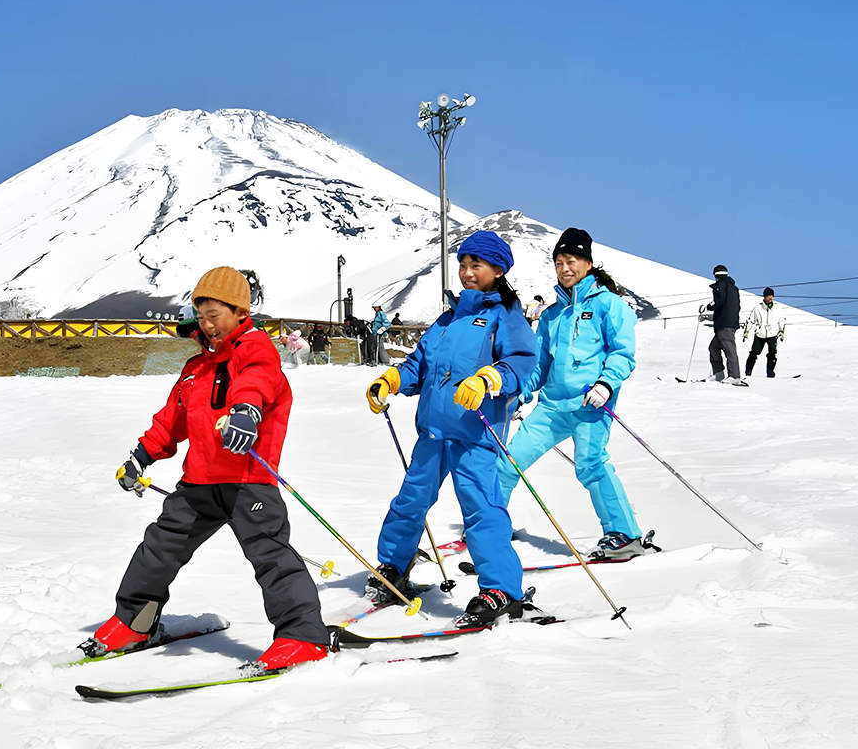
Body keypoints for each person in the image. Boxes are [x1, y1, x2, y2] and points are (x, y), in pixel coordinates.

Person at [90, 266, 330, 672]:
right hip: (198, 483)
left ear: (239, 311)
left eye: (214, 316)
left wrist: (247, 411)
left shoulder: (255, 350)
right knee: (158, 549)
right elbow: (171, 420)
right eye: (200, 316)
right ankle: (135, 621)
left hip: (248, 483)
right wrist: (140, 456)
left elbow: (257, 380)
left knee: (272, 559)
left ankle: (302, 635)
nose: (207, 325)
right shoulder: (195, 369)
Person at [364, 230, 538, 627]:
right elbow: (420, 365)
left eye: (475, 264)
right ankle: (393, 565)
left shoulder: (504, 315)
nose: (466, 272)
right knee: (410, 500)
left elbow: (522, 362)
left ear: (498, 269)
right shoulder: (447, 318)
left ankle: (501, 589)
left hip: (475, 433)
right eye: (462, 264)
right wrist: (392, 380)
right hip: (433, 431)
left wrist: (489, 379)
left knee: (481, 508)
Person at [500, 227, 652, 560]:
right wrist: (519, 395)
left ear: (586, 262)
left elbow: (622, 353)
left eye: (571, 261)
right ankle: (491, 525)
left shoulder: (609, 305)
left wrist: (606, 384)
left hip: (590, 404)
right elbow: (540, 366)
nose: (565, 268)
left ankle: (624, 534)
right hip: (552, 406)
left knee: (591, 465)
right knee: (510, 461)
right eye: (559, 262)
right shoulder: (552, 314)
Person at [705, 265, 746, 386]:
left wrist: (709, 307)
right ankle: (718, 373)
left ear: (715, 275)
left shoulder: (720, 286)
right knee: (713, 347)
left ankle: (734, 375)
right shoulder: (734, 288)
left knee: (729, 349)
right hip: (729, 323)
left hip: (724, 324)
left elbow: (720, 301)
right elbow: (737, 306)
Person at [743, 287, 787, 378]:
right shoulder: (758, 308)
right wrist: (747, 331)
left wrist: (781, 330)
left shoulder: (777, 308)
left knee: (772, 354)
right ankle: (748, 372)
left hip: (772, 334)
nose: (771, 298)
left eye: (772, 296)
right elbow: (751, 320)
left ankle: (770, 372)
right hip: (760, 334)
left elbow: (781, 320)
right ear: (765, 297)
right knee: (753, 353)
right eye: (768, 296)